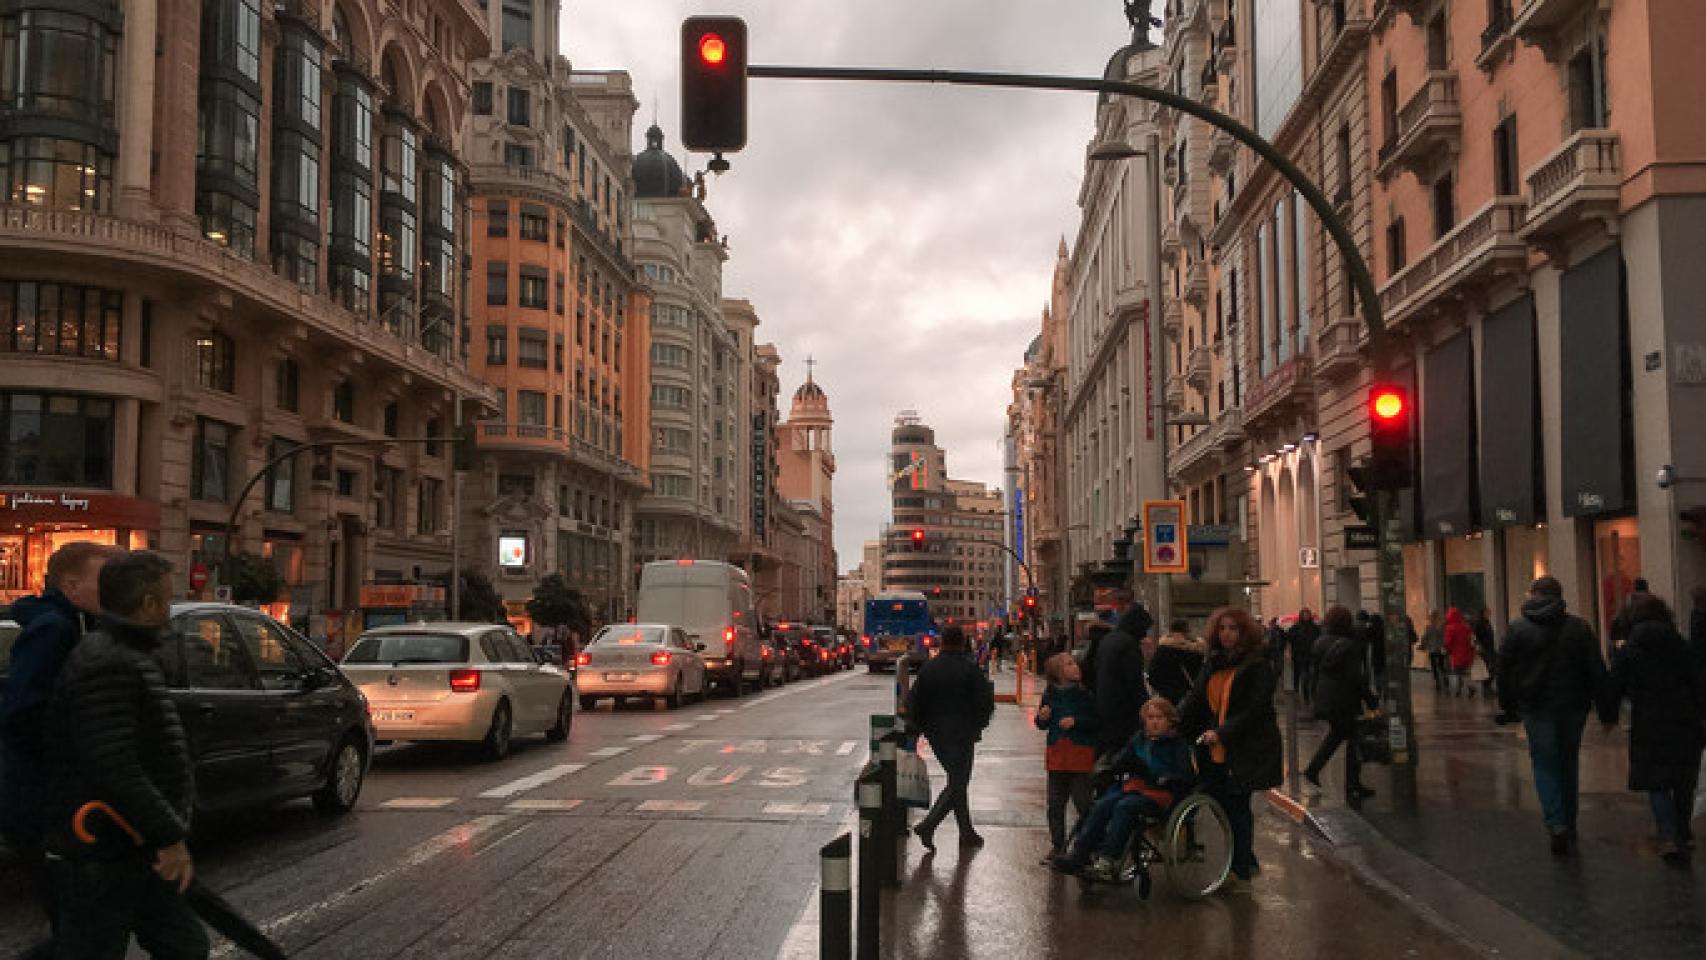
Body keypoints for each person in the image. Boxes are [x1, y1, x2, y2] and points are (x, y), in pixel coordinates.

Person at [43, 551, 207, 958]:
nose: (170, 611)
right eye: (167, 601)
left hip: (129, 845)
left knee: (184, 945)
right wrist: (168, 836)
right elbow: (113, 761)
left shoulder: (121, 654)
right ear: (149, 604)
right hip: (104, 848)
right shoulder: (111, 661)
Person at [0, 541, 118, 960]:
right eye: (104, 580)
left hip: (45, 798)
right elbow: (21, 713)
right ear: (71, 584)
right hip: (40, 799)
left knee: (77, 926)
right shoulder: (55, 628)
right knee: (78, 930)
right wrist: (68, 758)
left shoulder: (73, 623)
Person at [1497, 575, 1616, 855]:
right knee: (1568, 762)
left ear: (1533, 595)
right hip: (1573, 706)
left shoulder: (1517, 629)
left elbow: (1504, 670)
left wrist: (1508, 705)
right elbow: (1596, 671)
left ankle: (1556, 822)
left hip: (1536, 706)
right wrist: (1607, 710)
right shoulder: (1578, 628)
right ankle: (1569, 821)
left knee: (1544, 764)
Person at [1180, 607, 1283, 886]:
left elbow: (1254, 710)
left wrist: (1223, 732)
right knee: (1218, 802)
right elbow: (1197, 698)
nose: (1227, 634)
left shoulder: (1257, 665)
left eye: (1233, 629)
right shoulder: (1213, 662)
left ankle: (1240, 870)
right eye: (1222, 628)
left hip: (1246, 746)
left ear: (1244, 633)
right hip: (1215, 746)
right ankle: (1244, 859)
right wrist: (1172, 720)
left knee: (1237, 805)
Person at [1055, 698, 1193, 896]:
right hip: (1135, 786)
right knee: (1102, 805)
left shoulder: (1177, 745)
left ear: (1170, 721)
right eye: (1150, 717)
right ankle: (1080, 853)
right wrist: (1111, 768)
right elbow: (1120, 760)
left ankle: (1108, 859)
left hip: (1160, 793)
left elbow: (1186, 775)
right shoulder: (1139, 739)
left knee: (1125, 806)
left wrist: (1165, 778)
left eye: (1159, 718)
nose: (1154, 722)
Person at [1606, 593, 1705, 863]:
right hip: (1685, 720)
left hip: (1649, 721)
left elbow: (1614, 685)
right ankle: (1683, 830)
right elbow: (1699, 683)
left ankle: (1667, 834)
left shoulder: (1630, 651)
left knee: (1657, 782)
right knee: (1683, 779)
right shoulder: (1681, 646)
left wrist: (1608, 716)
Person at [908, 625, 995, 852]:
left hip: (936, 734)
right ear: (962, 642)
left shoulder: (929, 669)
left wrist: (918, 729)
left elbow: (914, 703)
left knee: (957, 781)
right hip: (963, 733)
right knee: (958, 782)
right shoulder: (970, 669)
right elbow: (985, 702)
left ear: (942, 642)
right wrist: (978, 726)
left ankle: (966, 831)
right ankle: (929, 825)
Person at [1303, 606, 1379, 805]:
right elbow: (1355, 676)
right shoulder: (1347, 645)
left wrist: (1313, 697)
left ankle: (1314, 770)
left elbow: (1314, 673)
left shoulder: (1320, 642)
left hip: (1327, 697)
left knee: (1337, 736)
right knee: (1353, 739)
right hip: (1344, 699)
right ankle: (1351, 785)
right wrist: (1371, 699)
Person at [1035, 653, 1097, 863]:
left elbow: (1096, 720)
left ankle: (1085, 846)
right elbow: (1042, 724)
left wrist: (1076, 722)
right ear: (1058, 673)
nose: (1076, 667)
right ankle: (1058, 845)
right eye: (1069, 664)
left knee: (1083, 802)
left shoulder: (1085, 695)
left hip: (1080, 755)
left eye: (1075, 663)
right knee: (1055, 804)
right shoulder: (1050, 695)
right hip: (1057, 756)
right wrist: (1041, 717)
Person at [1090, 590, 1154, 758]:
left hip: (1105, 709)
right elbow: (1134, 682)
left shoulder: (1109, 640)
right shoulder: (1128, 645)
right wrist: (1147, 708)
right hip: (1124, 714)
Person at [1148, 619, 1205, 706]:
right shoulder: (1195, 650)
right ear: (1187, 631)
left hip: (1167, 699)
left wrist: (1164, 690)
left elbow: (1152, 675)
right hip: (1189, 697)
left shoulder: (1162, 650)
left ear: (1171, 631)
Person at [1289, 609, 1321, 703]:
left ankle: (1313, 693)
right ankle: (1306, 696)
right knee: (1305, 676)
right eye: (1304, 615)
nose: (1306, 616)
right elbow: (1290, 638)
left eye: (1307, 614)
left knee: (1313, 675)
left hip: (1312, 655)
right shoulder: (1296, 628)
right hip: (1301, 656)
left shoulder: (1315, 628)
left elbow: (1319, 639)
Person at [1444, 608, 1476, 697]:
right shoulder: (1466, 627)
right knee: (1465, 671)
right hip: (1467, 652)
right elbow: (1471, 639)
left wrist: (1447, 649)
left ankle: (1467, 687)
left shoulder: (1450, 628)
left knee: (1458, 672)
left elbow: (1448, 642)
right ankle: (1462, 688)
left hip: (1456, 654)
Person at [1471, 608, 1499, 698]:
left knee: (1493, 668)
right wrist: (1478, 646)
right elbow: (1474, 636)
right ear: (1483, 613)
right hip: (1484, 649)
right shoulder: (1479, 624)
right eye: (1487, 612)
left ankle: (1488, 687)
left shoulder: (1487, 623)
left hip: (1490, 648)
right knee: (1487, 668)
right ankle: (1486, 689)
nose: (1489, 614)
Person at [1422, 610, 1448, 692]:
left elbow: (1425, 637)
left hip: (1433, 649)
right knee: (1441, 665)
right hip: (1440, 649)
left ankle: (1438, 681)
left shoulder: (1429, 627)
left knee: (1434, 666)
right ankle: (1444, 677)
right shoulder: (1444, 626)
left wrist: (1423, 644)